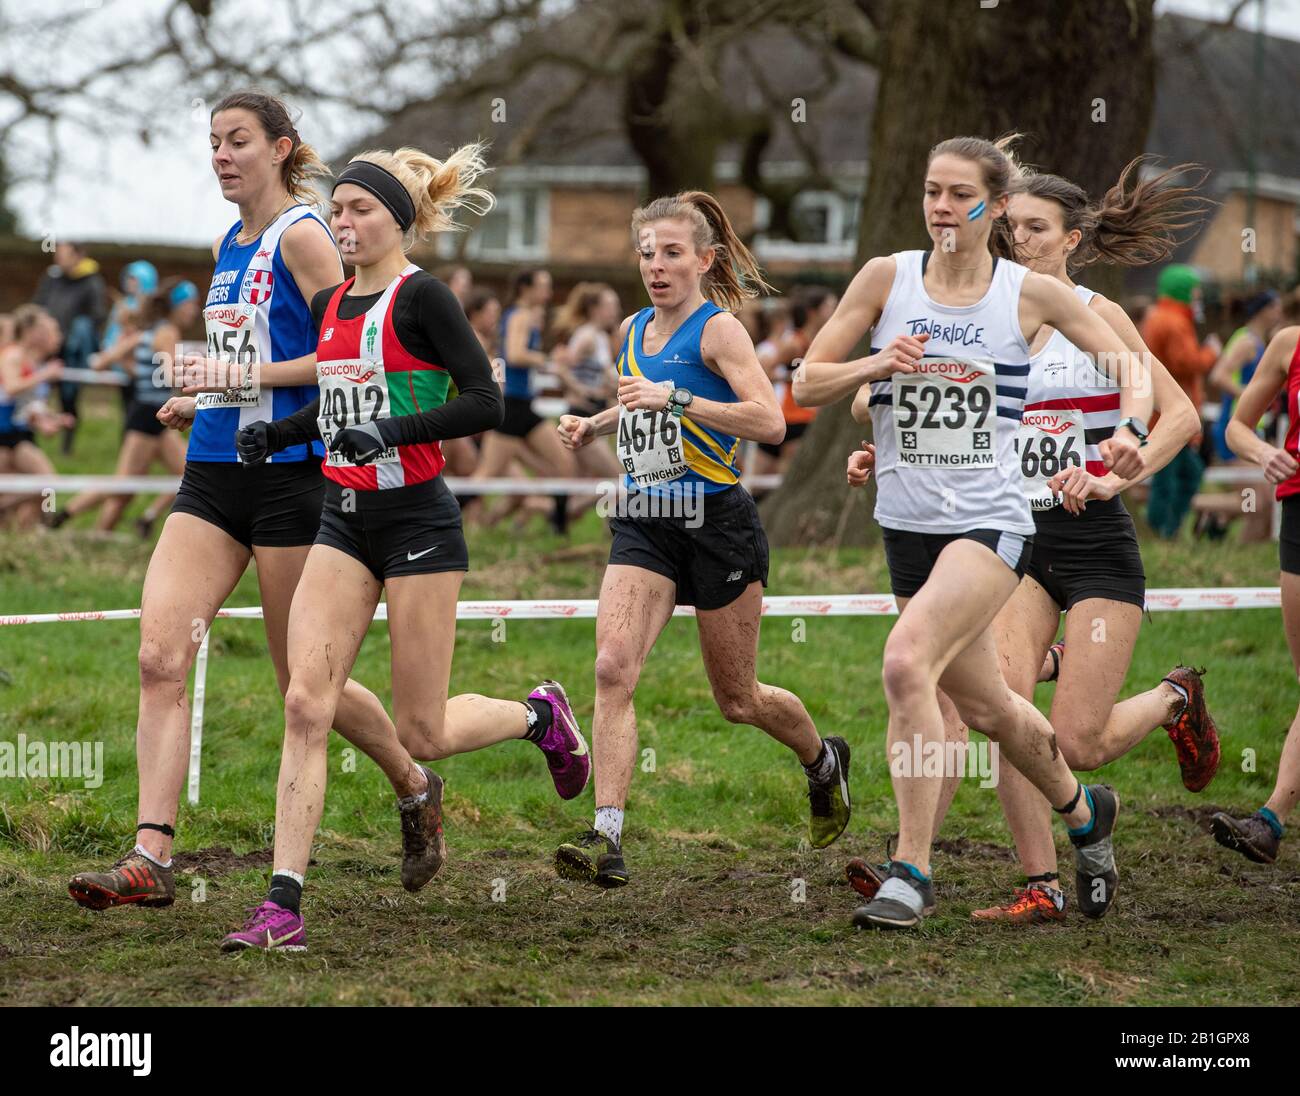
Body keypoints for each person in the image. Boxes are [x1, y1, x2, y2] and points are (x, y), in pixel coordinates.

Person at [220, 143, 589, 952]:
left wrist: (389, 430)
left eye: (358, 211)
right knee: (305, 702)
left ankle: (540, 716)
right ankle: (283, 903)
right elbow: (337, 406)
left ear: (397, 219)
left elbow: (485, 401)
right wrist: (280, 433)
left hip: (420, 522)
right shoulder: (334, 306)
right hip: (343, 520)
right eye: (337, 210)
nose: (342, 224)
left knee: (423, 733)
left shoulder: (427, 300)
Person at [65, 89, 421, 914]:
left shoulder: (303, 235)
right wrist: (206, 398)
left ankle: (412, 779)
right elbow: (249, 359)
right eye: (213, 143)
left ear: (280, 148)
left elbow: (348, 356)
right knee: (160, 655)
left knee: (301, 684)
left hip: (292, 480)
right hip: (211, 476)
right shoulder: (230, 240)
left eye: (237, 142)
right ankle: (151, 853)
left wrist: (241, 378)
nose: (221, 156)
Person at [794, 135, 1150, 930]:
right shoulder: (886, 278)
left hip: (990, 524)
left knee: (905, 661)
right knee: (991, 707)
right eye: (932, 193)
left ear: (992, 208)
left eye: (960, 196)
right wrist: (875, 365)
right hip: (905, 526)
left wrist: (1128, 429)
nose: (942, 209)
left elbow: (1134, 367)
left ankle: (910, 870)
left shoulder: (1027, 294)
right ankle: (1085, 811)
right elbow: (808, 379)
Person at [552, 190, 852, 888]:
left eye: (672, 253)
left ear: (704, 260)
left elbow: (770, 422)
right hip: (646, 520)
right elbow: (640, 397)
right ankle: (607, 836)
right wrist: (592, 426)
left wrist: (679, 400)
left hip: (717, 523)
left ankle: (822, 761)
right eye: (647, 252)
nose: (655, 266)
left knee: (738, 699)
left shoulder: (719, 332)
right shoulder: (631, 329)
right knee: (610, 667)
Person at [960, 162, 1215, 924]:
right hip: (1017, 540)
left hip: (1095, 542)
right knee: (1007, 714)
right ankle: (1041, 884)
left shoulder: (1102, 317)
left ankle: (1176, 696)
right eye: (1014, 226)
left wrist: (1113, 473)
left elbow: (1179, 418)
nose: (1020, 238)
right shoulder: (985, 314)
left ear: (1073, 239)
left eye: (1037, 228)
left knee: (1078, 740)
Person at [1213, 324, 1300, 865]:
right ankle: (1270, 823)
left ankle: (1271, 818)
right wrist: (1265, 454)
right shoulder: (1290, 343)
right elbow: (1237, 429)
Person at [51, 280, 198, 532]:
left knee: (190, 473)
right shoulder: (167, 332)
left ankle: (134, 523)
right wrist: (206, 374)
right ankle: (62, 516)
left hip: (152, 413)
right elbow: (170, 376)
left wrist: (137, 371)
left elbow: (101, 363)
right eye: (191, 304)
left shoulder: (149, 331)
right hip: (150, 414)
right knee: (124, 482)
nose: (195, 310)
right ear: (178, 305)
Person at [470, 269, 576, 530]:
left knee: (564, 463)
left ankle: (558, 526)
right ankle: (442, 510)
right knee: (485, 475)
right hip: (513, 406)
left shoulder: (523, 315)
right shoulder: (520, 315)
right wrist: (548, 360)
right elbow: (515, 355)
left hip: (524, 406)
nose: (548, 293)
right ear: (525, 289)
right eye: (543, 286)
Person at [1143, 263, 1220, 538]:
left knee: (1180, 472)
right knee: (1173, 475)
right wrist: (1211, 353)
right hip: (1170, 412)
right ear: (1183, 291)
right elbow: (1185, 363)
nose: (1198, 298)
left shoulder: (1160, 317)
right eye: (1195, 292)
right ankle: (1162, 529)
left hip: (1161, 410)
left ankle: (1165, 528)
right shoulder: (1174, 322)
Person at [34, 239, 106, 453]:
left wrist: (69, 337)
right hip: (45, 348)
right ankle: (32, 436)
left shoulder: (92, 281)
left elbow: (97, 316)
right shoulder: (52, 278)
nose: (57, 257)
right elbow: (38, 305)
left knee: (68, 397)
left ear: (78, 255)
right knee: (38, 392)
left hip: (72, 350)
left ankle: (67, 445)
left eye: (63, 253)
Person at [0, 306, 65, 527]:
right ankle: (45, 526)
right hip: (6, 434)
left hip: (16, 433)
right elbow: (11, 387)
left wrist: (49, 420)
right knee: (49, 484)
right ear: (30, 330)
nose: (49, 333)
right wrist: (44, 374)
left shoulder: (28, 359)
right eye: (44, 327)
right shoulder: (13, 354)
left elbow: (23, 405)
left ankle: (31, 536)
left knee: (37, 489)